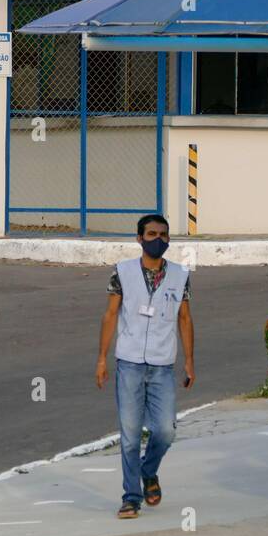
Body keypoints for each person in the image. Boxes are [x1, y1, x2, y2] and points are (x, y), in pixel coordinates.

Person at [95, 214, 195, 519]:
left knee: (165, 430)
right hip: (129, 363)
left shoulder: (180, 274)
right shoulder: (123, 272)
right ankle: (131, 497)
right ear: (139, 238)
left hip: (163, 364)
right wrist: (102, 359)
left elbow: (185, 318)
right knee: (129, 434)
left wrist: (190, 361)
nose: (158, 240)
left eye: (164, 235)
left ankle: (148, 470)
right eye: (151, 234)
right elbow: (110, 316)